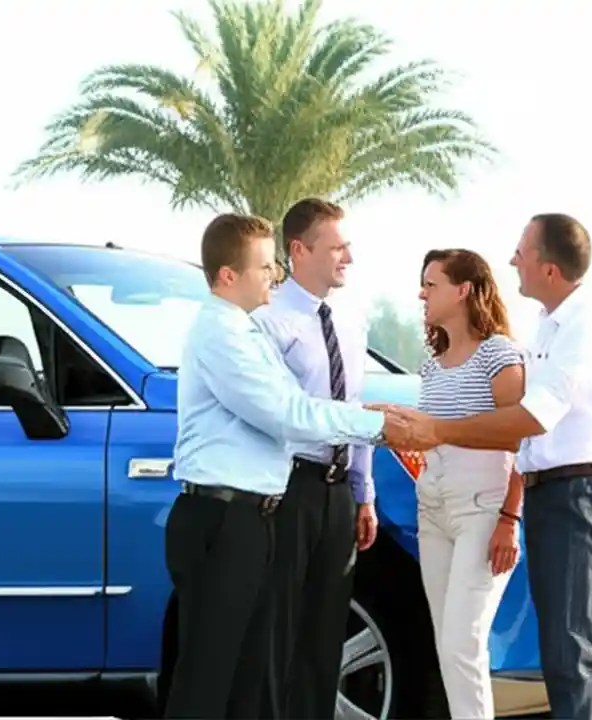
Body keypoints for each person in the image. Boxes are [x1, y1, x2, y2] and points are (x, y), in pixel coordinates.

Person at [379, 214, 592, 720]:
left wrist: (441, 433)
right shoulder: (547, 326)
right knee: (563, 656)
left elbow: (532, 419)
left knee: (571, 656)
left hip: (579, 495)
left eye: (522, 250)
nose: (514, 259)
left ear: (549, 267)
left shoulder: (585, 325)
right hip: (553, 495)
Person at [164, 212, 413, 719]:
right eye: (262, 267)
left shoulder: (244, 331)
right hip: (223, 518)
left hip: (250, 518)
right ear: (228, 276)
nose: (274, 275)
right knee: (209, 680)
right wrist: (378, 426)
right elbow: (286, 413)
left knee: (247, 678)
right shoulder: (223, 333)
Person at [248, 198, 377, 719]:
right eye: (337, 246)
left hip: (338, 493)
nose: (349, 256)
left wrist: (363, 494)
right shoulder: (269, 321)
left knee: (325, 635)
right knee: (278, 634)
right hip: (287, 490)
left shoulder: (351, 319)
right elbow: (278, 413)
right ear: (299, 250)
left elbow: (355, 409)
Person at [411, 248, 525, 719]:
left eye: (431, 284)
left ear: (463, 290)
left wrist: (509, 518)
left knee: (462, 642)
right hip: (432, 506)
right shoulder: (433, 363)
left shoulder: (499, 354)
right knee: (447, 644)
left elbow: (524, 438)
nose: (422, 293)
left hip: (482, 506)